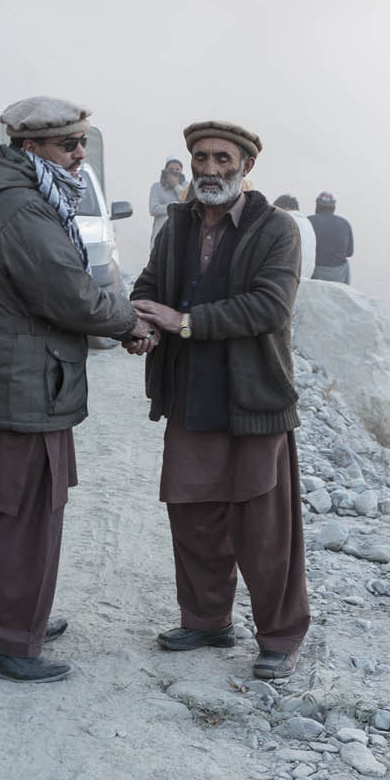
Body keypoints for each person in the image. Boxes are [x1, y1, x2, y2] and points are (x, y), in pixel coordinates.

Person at [0, 97, 146, 683]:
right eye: (68, 145)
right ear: (30, 147)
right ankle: (7, 645)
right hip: (22, 387)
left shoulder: (21, 195)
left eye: (83, 142)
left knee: (34, 513)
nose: (78, 154)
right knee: (25, 515)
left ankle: (22, 617)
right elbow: (71, 294)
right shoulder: (20, 209)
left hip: (27, 381)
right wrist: (131, 321)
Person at [127, 120, 309, 680]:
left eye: (223, 160)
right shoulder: (177, 225)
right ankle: (207, 620)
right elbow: (148, 286)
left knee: (264, 526)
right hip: (188, 392)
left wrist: (183, 322)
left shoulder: (276, 229)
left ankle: (279, 636)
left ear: (246, 166)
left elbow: (269, 308)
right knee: (193, 514)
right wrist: (141, 323)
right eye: (202, 158)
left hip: (253, 397)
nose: (210, 169)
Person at [271, 194, 318, 291]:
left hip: (289, 280)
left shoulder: (286, 220)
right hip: (306, 276)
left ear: (285, 208)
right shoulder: (307, 222)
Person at [308, 191, 353, 283]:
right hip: (337, 274)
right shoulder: (344, 223)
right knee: (346, 263)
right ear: (334, 208)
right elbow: (349, 253)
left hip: (314, 272)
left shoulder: (308, 221)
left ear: (317, 206)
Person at [148, 157, 186, 242]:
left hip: (180, 235)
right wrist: (173, 207)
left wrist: (176, 186)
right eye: (171, 169)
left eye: (177, 169)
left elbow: (186, 202)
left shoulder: (186, 186)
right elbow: (153, 209)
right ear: (166, 171)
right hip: (160, 235)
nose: (174, 172)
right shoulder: (156, 187)